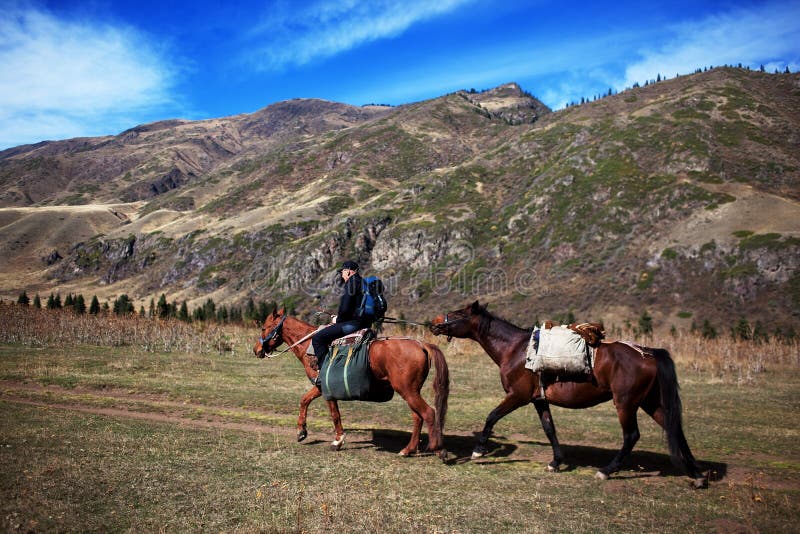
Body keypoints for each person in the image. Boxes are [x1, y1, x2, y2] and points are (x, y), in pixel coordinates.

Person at [310, 260, 374, 386]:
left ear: (349, 271)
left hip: (354, 324)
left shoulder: (351, 283)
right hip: (364, 322)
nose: (342, 275)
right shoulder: (364, 282)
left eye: (343, 272)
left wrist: (337, 320)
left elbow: (345, 308)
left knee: (318, 338)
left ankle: (324, 374)